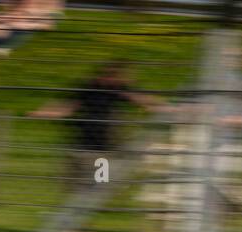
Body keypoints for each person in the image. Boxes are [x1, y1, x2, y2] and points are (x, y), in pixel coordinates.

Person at [29, 61, 170, 187]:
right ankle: (78, 201)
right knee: (75, 180)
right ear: (113, 75)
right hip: (82, 141)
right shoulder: (89, 88)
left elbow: (144, 101)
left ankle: (93, 201)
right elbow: (68, 106)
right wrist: (44, 113)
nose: (128, 79)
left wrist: (168, 109)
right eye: (125, 76)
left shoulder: (120, 89)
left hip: (104, 144)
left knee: (99, 181)